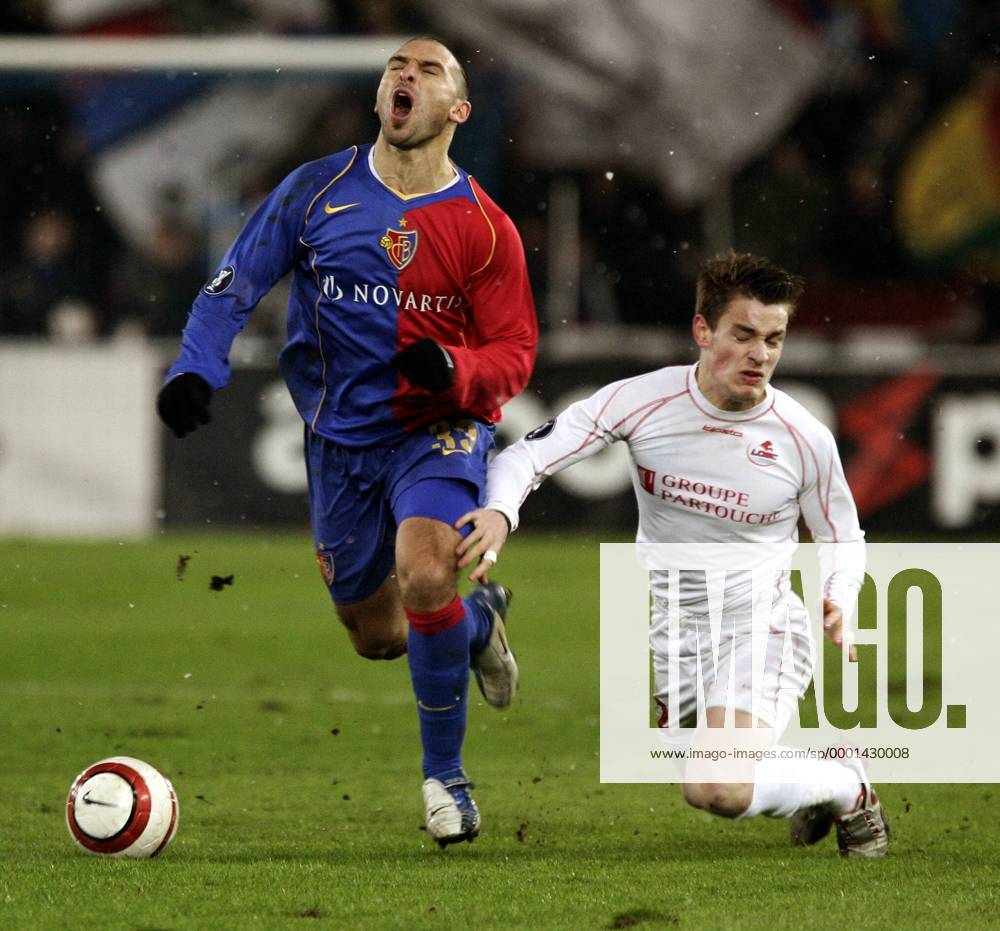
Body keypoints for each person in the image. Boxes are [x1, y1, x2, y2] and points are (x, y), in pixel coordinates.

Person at [156, 36, 538, 847]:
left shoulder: (485, 228)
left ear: (457, 111)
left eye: (429, 69)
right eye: (397, 66)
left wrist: (455, 369)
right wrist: (195, 367)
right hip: (338, 441)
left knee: (427, 568)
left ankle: (446, 783)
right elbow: (233, 284)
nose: (406, 74)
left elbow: (514, 353)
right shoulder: (315, 188)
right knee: (379, 634)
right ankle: (475, 625)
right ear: (379, 95)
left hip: (435, 429)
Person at [456, 251, 890, 858]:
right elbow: (527, 454)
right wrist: (503, 511)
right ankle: (823, 771)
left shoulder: (803, 437)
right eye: (743, 335)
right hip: (677, 635)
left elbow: (842, 535)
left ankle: (850, 788)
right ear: (703, 330)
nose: (760, 355)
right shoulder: (644, 401)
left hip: (760, 628)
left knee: (714, 786)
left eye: (774, 339)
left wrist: (839, 598)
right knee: (715, 774)